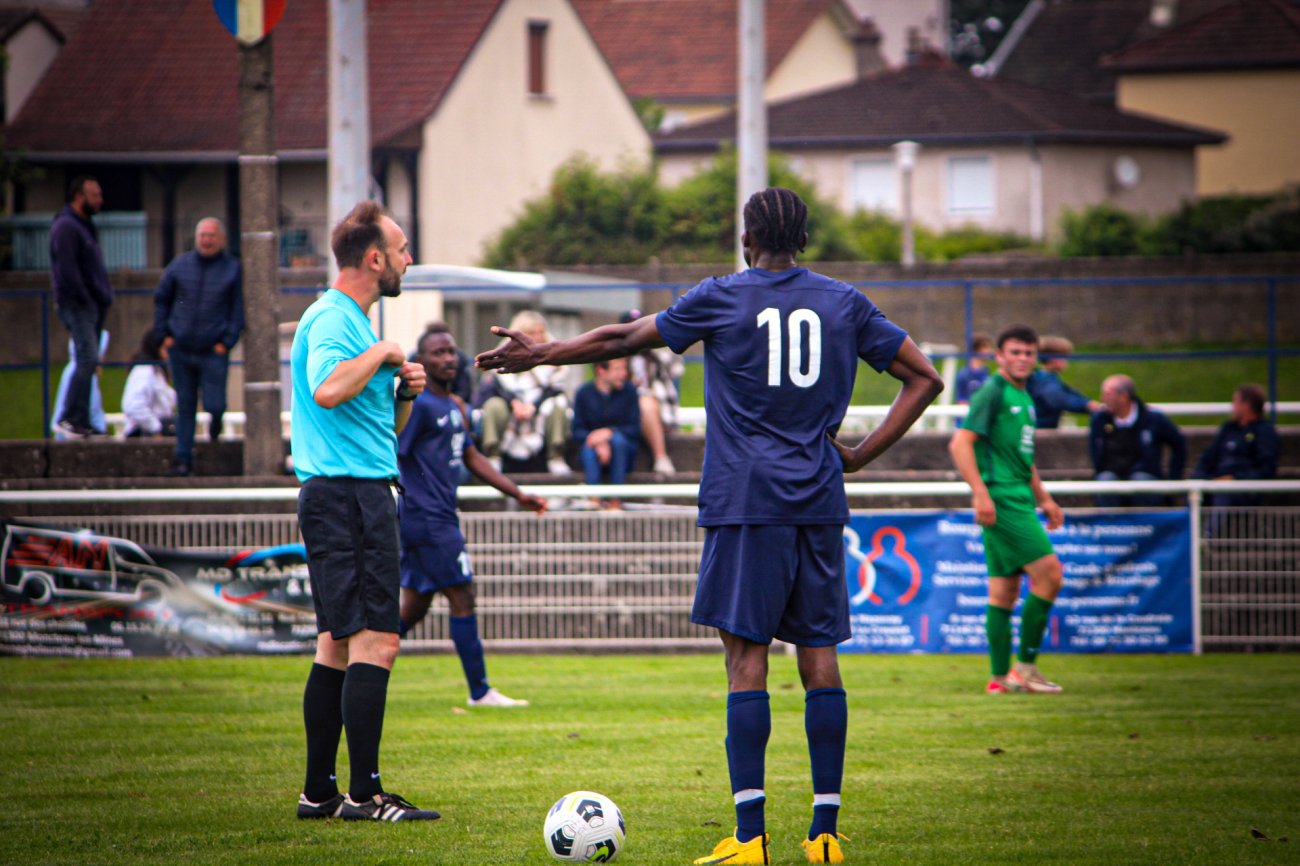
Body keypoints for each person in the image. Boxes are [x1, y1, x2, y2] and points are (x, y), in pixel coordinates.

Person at [477, 187, 943, 866]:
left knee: (745, 659)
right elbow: (924, 379)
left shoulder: (724, 296)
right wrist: (857, 456)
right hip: (816, 500)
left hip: (746, 501)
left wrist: (541, 356)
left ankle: (750, 839)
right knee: (819, 660)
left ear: (747, 237)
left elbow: (622, 338)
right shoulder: (845, 303)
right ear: (803, 238)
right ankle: (824, 838)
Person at [290, 201, 439, 823]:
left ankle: (319, 793)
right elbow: (327, 390)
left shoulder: (354, 323)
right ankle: (365, 795)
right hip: (348, 496)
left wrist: (401, 394)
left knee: (336, 645)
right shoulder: (333, 319)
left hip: (357, 490)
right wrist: (381, 357)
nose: (410, 258)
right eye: (403, 248)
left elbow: (378, 425)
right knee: (377, 643)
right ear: (375, 258)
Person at [398, 322, 544, 706]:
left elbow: (471, 456)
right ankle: (480, 692)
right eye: (438, 353)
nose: (448, 359)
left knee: (414, 606)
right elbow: (394, 452)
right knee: (462, 593)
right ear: (420, 361)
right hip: (427, 517)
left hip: (435, 516)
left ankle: (353, 661)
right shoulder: (418, 407)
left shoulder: (455, 406)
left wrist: (518, 493)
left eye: (451, 352)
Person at [948, 324, 1066, 697]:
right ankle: (1026, 670)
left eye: (1029, 353)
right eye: (1014, 352)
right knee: (1050, 574)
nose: (1022, 359)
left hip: (1018, 496)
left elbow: (1022, 458)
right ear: (999, 356)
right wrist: (981, 493)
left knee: (1003, 590)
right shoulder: (993, 391)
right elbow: (960, 444)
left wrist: (1044, 498)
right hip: (1003, 499)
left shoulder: (1024, 397)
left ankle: (999, 678)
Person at [153, 218, 245, 476]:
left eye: (211, 235)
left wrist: (226, 343)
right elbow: (161, 298)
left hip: (213, 351)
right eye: (203, 235)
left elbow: (238, 309)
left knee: (216, 405)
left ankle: (215, 428)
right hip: (181, 348)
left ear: (222, 239)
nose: (207, 240)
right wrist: (164, 336)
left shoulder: (232, 269)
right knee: (185, 406)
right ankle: (182, 459)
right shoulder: (180, 265)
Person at [49, 175, 112, 439]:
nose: (100, 200)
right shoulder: (66, 227)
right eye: (94, 195)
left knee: (90, 360)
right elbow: (67, 271)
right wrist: (86, 298)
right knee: (86, 357)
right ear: (79, 196)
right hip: (78, 305)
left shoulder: (85, 226)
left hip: (91, 306)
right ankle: (70, 418)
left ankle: (84, 421)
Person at [476, 310, 573, 475]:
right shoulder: (502, 359)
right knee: (493, 406)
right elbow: (491, 390)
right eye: (531, 333)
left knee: (558, 406)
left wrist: (533, 406)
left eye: (540, 332)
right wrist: (514, 403)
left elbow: (555, 391)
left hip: (540, 418)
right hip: (510, 420)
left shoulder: (555, 364)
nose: (537, 337)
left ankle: (555, 457)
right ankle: (493, 455)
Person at [1089, 374, 1185, 507]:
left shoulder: (1153, 419)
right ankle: (1110, 526)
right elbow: (1095, 453)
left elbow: (1179, 444)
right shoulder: (1099, 420)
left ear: (1124, 397)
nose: (1102, 399)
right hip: (1112, 477)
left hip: (1144, 477)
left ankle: (1147, 526)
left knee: (1141, 481)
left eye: (1107, 394)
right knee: (1105, 481)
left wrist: (1175, 478)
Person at [1191, 384, 1279, 509]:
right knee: (1193, 489)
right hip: (1217, 483)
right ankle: (1185, 528)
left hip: (1245, 490)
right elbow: (1207, 458)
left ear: (1246, 405)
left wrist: (1235, 479)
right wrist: (1199, 477)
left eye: (1235, 401)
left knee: (1225, 493)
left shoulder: (1265, 432)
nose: (1232, 406)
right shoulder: (1228, 428)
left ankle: (1211, 530)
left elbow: (1266, 469)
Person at [572, 357, 641, 510]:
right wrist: (598, 440)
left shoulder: (630, 392)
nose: (624, 374)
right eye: (617, 369)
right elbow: (577, 431)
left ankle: (615, 501)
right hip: (592, 453)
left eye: (624, 368)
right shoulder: (583, 393)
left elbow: (634, 429)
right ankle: (594, 499)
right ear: (601, 371)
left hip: (624, 453)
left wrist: (609, 432)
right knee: (590, 448)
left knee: (618, 441)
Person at [621, 308, 683, 475]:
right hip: (626, 409)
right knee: (644, 402)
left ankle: (661, 457)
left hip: (658, 408)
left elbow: (677, 367)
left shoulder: (657, 356)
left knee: (647, 403)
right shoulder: (617, 359)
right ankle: (660, 456)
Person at [1026, 335, 1100, 429]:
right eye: (1064, 357)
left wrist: (1087, 402)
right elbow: (1059, 398)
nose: (1067, 361)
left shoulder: (1045, 377)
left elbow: (1068, 391)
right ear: (1054, 359)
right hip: (1040, 432)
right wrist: (1086, 405)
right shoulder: (1045, 380)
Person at [50, 332, 109, 439]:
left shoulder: (75, 369)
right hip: (75, 436)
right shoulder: (83, 373)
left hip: (70, 433)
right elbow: (93, 409)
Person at [121, 329, 177, 438]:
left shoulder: (157, 371)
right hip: (143, 433)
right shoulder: (144, 371)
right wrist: (156, 428)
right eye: (166, 348)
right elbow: (133, 405)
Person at [954, 332, 992, 404]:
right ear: (977, 349)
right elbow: (961, 400)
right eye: (986, 347)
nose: (990, 351)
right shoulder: (964, 374)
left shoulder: (985, 371)